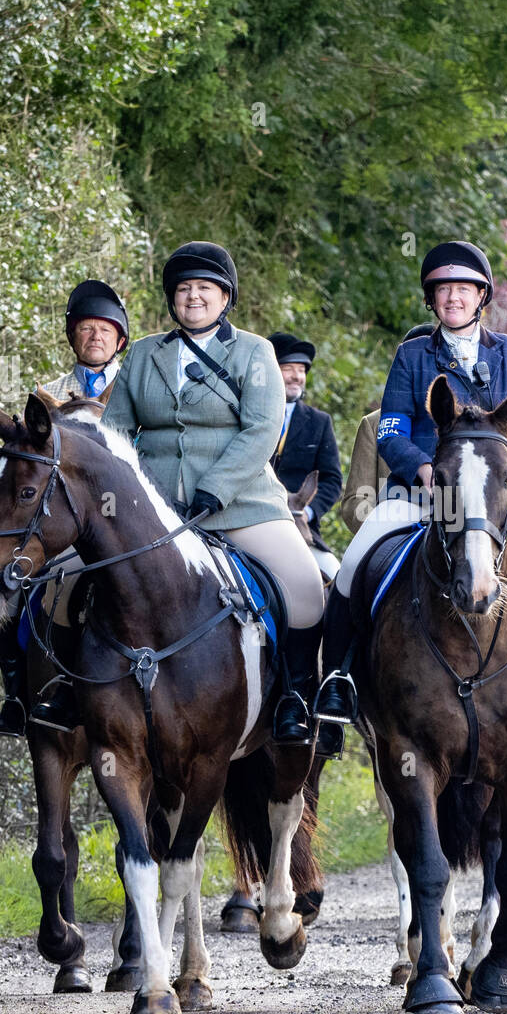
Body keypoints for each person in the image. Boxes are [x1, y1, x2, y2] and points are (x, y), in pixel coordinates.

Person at [314, 240, 507, 737]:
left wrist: (497, 483)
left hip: (501, 496)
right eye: (443, 290)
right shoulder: (412, 355)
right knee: (353, 565)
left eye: (463, 289)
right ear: (431, 300)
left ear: (481, 296)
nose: (453, 297)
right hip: (425, 493)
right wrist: (423, 471)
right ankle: (339, 679)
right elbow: (391, 429)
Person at [81, 240, 326, 745]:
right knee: (72, 580)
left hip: (241, 504)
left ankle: (295, 701)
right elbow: (116, 433)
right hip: (154, 510)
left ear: (225, 297)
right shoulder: (144, 353)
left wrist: (215, 488)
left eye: (204, 288)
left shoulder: (255, 352)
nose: (193, 297)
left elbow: (261, 430)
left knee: (306, 589)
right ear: (172, 298)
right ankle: (68, 691)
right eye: (184, 289)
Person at [0, 279, 130, 736]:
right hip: (66, 521)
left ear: (120, 340)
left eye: (105, 330)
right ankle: (16, 698)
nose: (95, 336)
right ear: (73, 337)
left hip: (126, 519)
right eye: (86, 328)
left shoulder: (135, 388)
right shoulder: (47, 393)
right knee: (16, 589)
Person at [339, 326, 434, 535]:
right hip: (391, 529)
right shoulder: (373, 424)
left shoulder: (468, 424)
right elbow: (356, 501)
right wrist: (385, 533)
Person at [267, 331, 343, 580]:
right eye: (288, 368)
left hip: (300, 525)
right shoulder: (248, 414)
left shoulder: (319, 422)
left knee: (335, 576)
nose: (297, 376)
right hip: (253, 517)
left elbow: (332, 481)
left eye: (301, 370)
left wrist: (306, 512)